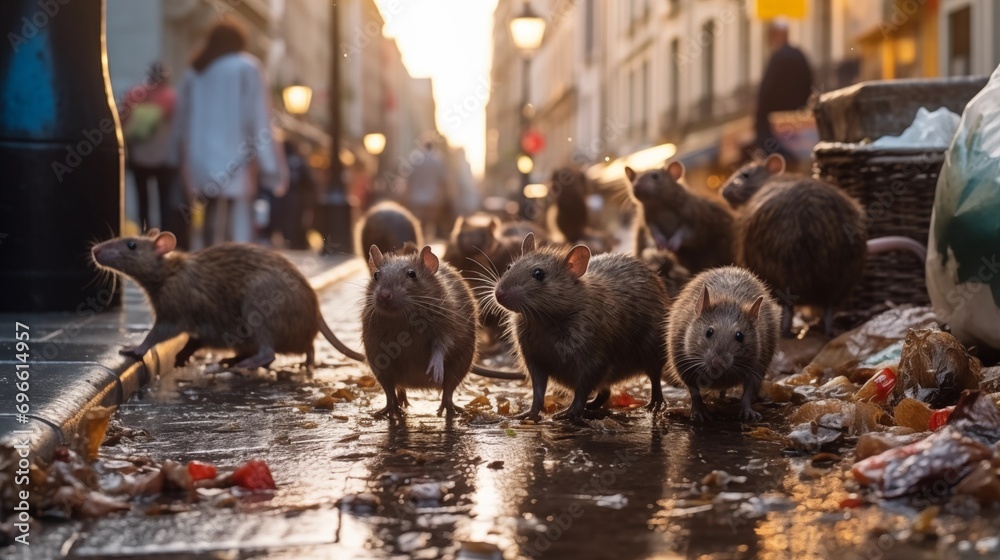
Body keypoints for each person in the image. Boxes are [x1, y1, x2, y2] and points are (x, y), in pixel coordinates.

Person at [169, 19, 284, 247]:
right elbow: (258, 116)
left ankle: (207, 258)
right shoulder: (247, 67)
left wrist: (175, 155)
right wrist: (269, 164)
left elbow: (181, 118)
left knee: (209, 212)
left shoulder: (196, 71)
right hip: (235, 153)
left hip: (199, 156)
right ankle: (227, 264)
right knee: (234, 217)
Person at [120, 62, 186, 246]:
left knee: (143, 201)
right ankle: (164, 240)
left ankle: (143, 237)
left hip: (139, 158)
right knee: (164, 201)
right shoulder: (172, 98)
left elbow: (122, 121)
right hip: (164, 159)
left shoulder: (135, 94)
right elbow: (180, 129)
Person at [754, 19, 813, 163]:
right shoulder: (799, 55)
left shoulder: (778, 57)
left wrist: (759, 124)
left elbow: (766, 93)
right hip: (797, 121)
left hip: (775, 126)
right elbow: (809, 84)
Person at [404, 141, 449, 240]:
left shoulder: (414, 159)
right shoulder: (438, 160)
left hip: (415, 199)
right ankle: (428, 247)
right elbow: (443, 181)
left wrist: (406, 196)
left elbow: (408, 180)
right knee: (430, 226)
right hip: (432, 199)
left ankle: (420, 245)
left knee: (418, 226)